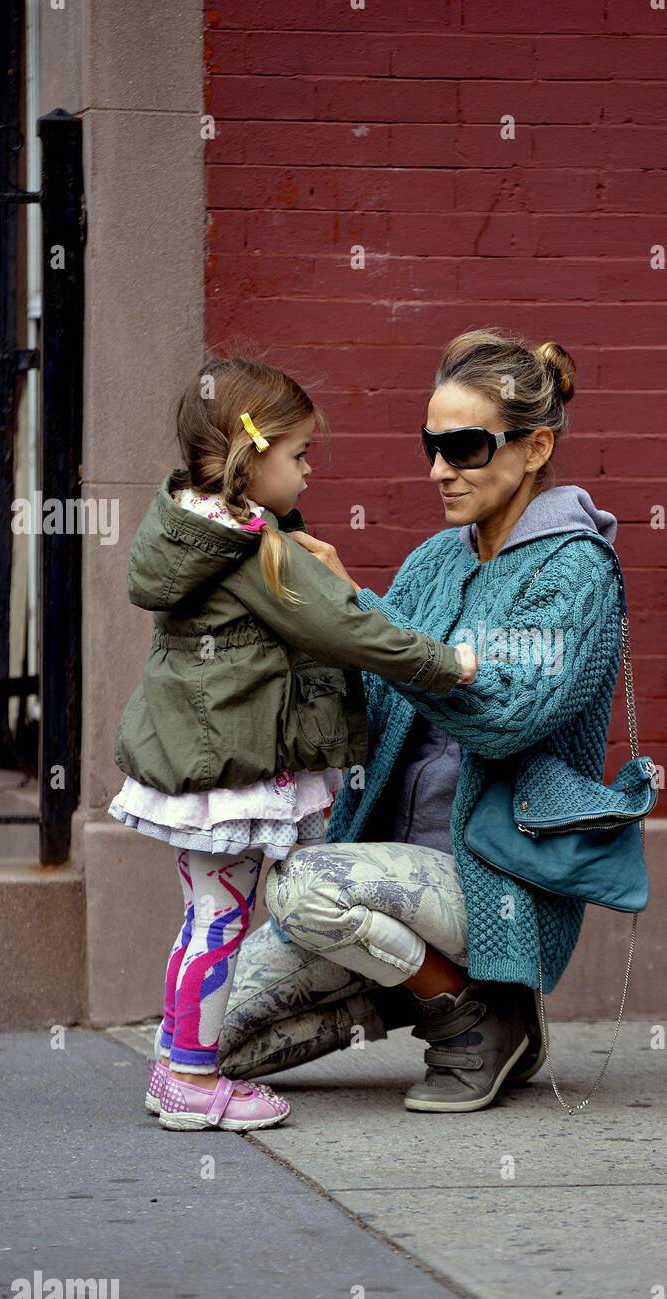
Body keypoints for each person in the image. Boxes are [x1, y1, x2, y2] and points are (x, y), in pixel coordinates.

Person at [217, 328, 625, 1114]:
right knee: (210, 1038)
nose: (442, 469)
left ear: (535, 448)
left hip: (493, 880)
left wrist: (367, 616)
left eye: (467, 447)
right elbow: (378, 703)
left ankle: (476, 1016)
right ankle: (448, 999)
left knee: (301, 889)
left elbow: (506, 715)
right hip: (389, 877)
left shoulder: (576, 571)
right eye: (432, 444)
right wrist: (314, 622)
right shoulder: (438, 560)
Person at [108, 356, 475, 1132]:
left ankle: (178, 1068)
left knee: (206, 916)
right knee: (219, 921)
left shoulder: (198, 535)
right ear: (254, 452)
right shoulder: (248, 551)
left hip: (200, 767)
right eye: (301, 454)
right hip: (230, 773)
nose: (309, 473)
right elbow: (344, 629)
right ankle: (195, 1083)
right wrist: (448, 664)